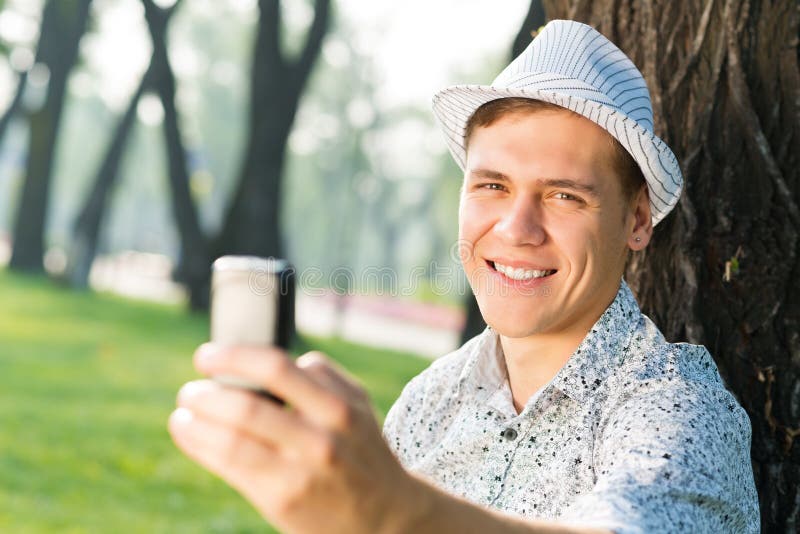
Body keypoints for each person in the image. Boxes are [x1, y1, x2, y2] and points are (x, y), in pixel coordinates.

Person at [168, 19, 760, 533]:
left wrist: (391, 512)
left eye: (563, 196)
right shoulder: (428, 403)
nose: (517, 228)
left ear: (636, 221)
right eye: (492, 185)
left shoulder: (682, 406)